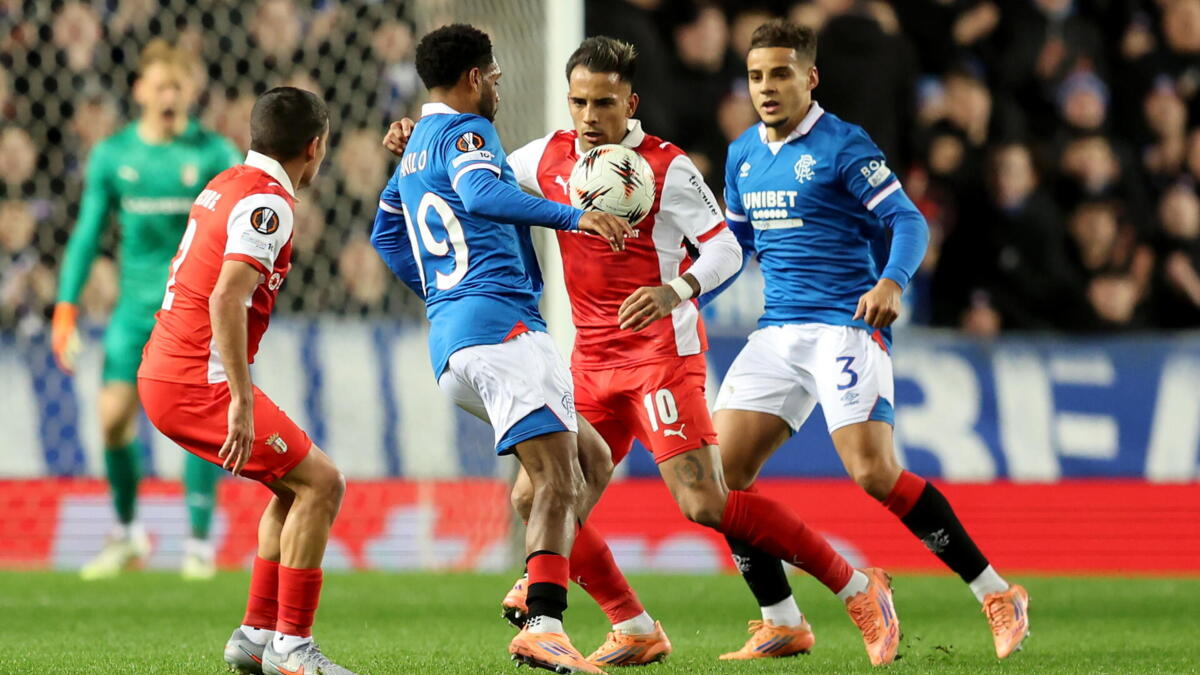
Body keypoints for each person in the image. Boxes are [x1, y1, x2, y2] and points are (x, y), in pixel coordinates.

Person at [384, 34, 902, 669]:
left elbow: (726, 249)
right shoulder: (546, 156)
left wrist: (675, 289)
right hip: (586, 362)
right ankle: (633, 625)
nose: (590, 119)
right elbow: (471, 183)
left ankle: (856, 586)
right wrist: (419, 137)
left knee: (704, 504)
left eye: (604, 104)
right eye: (578, 103)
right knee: (535, 496)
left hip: (660, 357)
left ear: (631, 101)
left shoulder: (667, 165)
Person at [715, 19, 1030, 660]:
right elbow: (736, 245)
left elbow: (906, 220)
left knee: (874, 472)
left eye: (781, 73)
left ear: (811, 77)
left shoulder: (843, 145)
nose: (767, 87)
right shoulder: (742, 152)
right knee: (720, 478)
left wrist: (891, 281)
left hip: (845, 327)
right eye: (756, 76)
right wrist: (684, 290)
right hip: (777, 332)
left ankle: (998, 592)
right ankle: (781, 618)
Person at [369, 24, 631, 674]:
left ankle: (538, 579)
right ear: (473, 80)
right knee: (556, 478)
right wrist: (578, 216)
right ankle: (543, 620)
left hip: (455, 346)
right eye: (494, 78)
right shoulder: (466, 132)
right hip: (503, 331)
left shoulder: (411, 150)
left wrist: (442, 294)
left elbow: (386, 235)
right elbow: (484, 193)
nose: (496, 90)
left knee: (591, 458)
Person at [138, 86, 358, 675]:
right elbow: (227, 297)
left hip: (168, 369)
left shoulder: (224, 183)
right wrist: (238, 397)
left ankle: (258, 634)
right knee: (324, 484)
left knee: (293, 486)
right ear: (315, 147)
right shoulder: (271, 204)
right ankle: (293, 648)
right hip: (196, 379)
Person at [52, 39, 241, 581]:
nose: (169, 95)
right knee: (112, 419)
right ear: (139, 90)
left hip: (194, 313)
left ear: (191, 93)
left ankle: (199, 545)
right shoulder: (113, 156)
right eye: (160, 85)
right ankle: (129, 533)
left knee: (199, 424)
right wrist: (65, 306)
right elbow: (88, 234)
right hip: (133, 312)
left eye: (178, 86)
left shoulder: (211, 155)